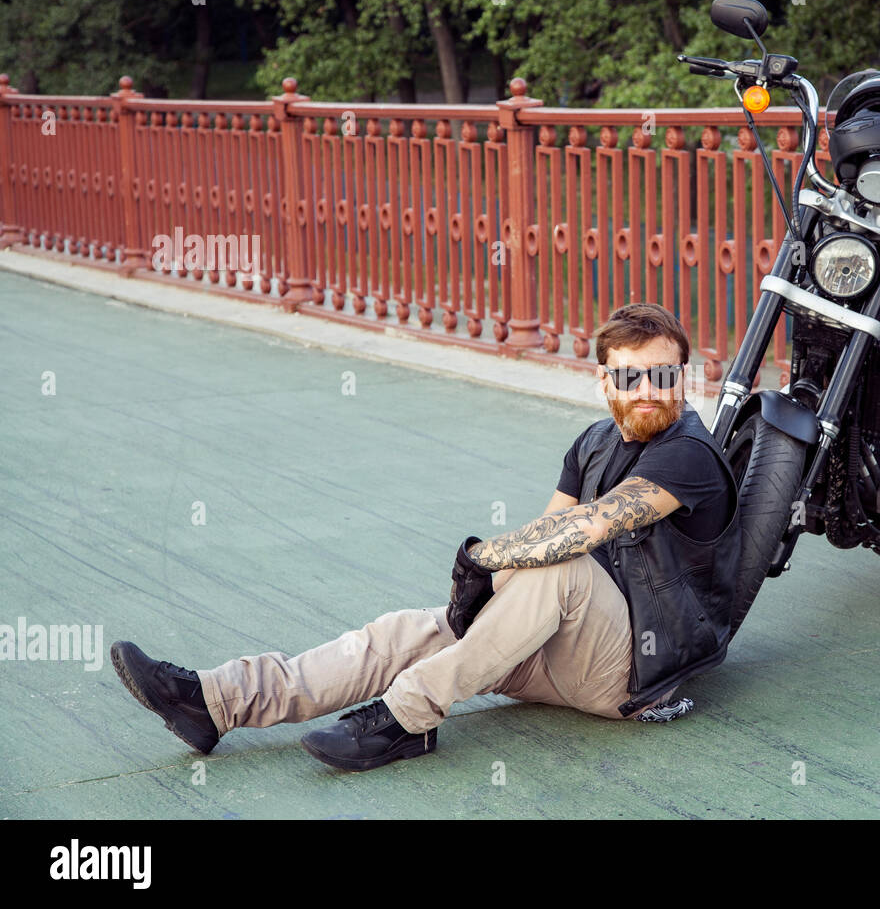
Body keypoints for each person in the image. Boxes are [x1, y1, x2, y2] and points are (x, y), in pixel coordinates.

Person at [111, 302, 741, 771]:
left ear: (684, 376)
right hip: (563, 651)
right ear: (604, 381)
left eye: (664, 375)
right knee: (406, 632)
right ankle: (216, 700)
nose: (649, 391)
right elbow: (545, 528)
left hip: (632, 669)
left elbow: (586, 529)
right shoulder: (594, 442)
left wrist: (481, 558)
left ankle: (406, 718)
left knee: (562, 565)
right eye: (630, 377)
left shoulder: (688, 454)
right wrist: (485, 590)